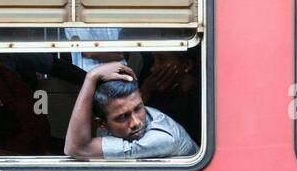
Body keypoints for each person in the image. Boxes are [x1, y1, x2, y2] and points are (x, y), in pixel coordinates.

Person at [64, 60, 197, 159]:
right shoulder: (129, 119)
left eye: (138, 108)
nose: (136, 122)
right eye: (122, 117)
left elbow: (76, 148)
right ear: (102, 125)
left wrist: (91, 77)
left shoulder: (162, 139)